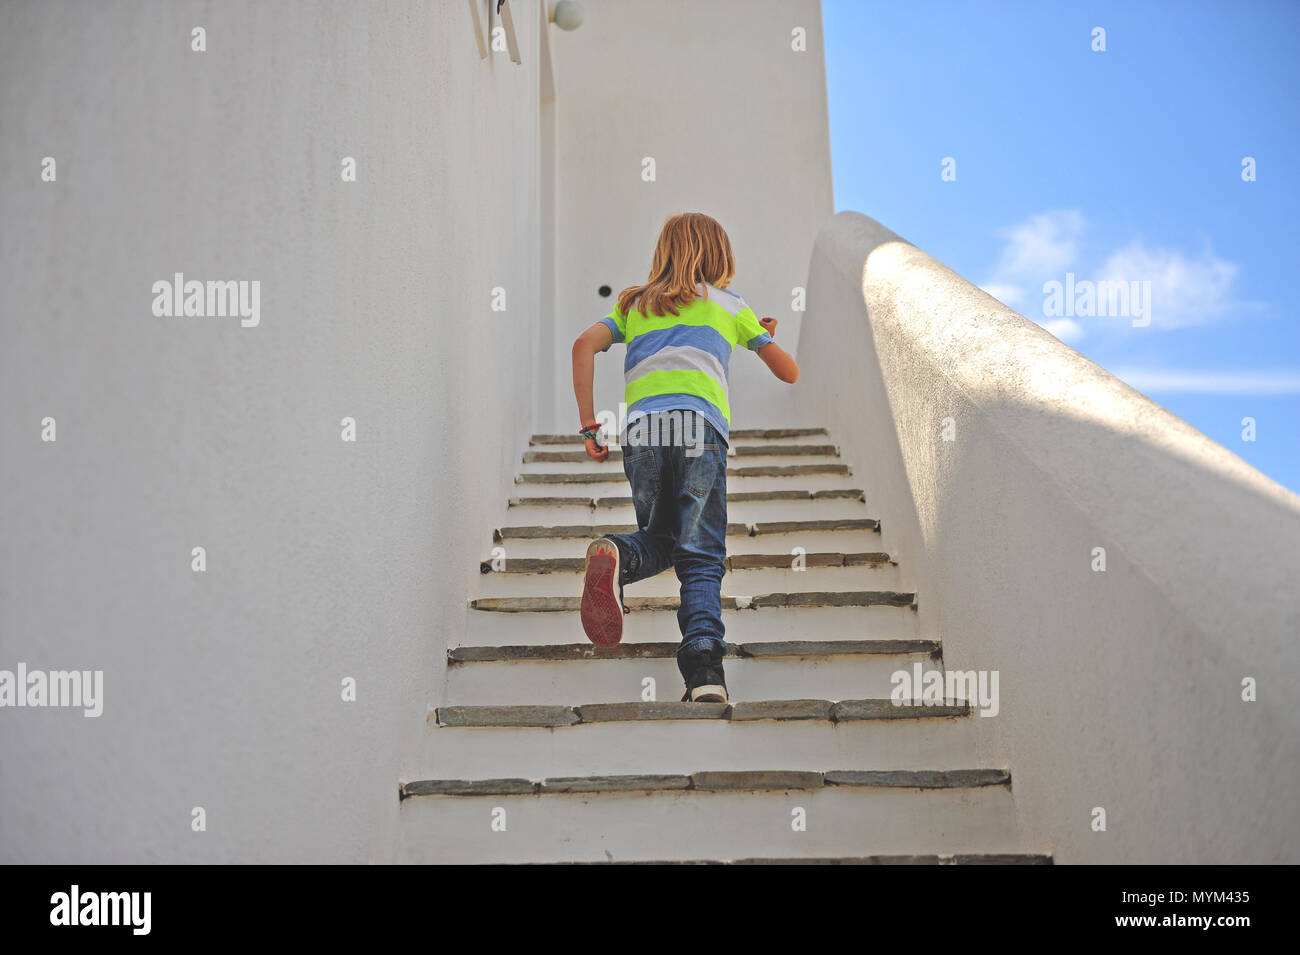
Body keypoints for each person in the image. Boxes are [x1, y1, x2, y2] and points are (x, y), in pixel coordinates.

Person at [569, 212, 800, 702]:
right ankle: (704, 673)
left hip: (643, 433)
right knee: (700, 556)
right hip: (699, 430)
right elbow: (790, 373)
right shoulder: (729, 304)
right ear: (720, 255)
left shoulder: (634, 304)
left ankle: (620, 553)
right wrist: (761, 335)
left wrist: (590, 424)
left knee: (663, 537)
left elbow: (583, 344)